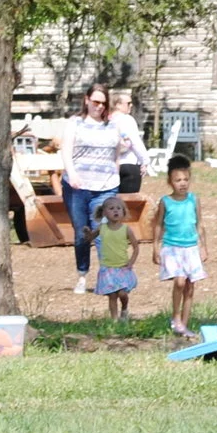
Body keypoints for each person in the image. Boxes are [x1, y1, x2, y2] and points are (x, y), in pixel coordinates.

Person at [60, 85, 129, 296]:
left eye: (103, 103)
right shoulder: (75, 123)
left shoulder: (112, 125)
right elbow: (66, 149)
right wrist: (71, 174)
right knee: (83, 234)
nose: (99, 106)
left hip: (105, 187)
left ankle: (109, 277)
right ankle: (82, 274)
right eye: (95, 102)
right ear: (87, 100)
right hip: (78, 187)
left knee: (103, 232)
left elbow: (117, 151)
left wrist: (115, 172)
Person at [156, 154, 210, 334]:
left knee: (190, 285)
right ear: (170, 181)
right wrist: (156, 247)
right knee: (179, 281)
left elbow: (200, 224)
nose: (182, 183)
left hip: (191, 248)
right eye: (178, 180)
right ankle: (176, 316)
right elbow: (158, 225)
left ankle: (183, 325)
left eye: (186, 179)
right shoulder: (165, 202)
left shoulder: (194, 200)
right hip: (172, 248)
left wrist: (203, 246)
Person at [91, 191, 140, 322]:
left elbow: (136, 247)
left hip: (122, 268)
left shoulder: (126, 229)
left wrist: (131, 262)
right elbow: (90, 238)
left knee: (122, 293)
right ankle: (114, 320)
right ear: (104, 213)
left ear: (123, 212)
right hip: (108, 268)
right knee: (112, 295)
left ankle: (124, 308)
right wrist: (86, 233)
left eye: (118, 208)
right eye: (111, 208)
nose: (115, 211)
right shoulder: (102, 228)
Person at [109, 89, 147, 196]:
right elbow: (135, 142)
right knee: (128, 206)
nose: (131, 106)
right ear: (118, 105)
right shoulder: (127, 119)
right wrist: (144, 160)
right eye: (128, 103)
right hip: (128, 166)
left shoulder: (106, 120)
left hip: (110, 168)